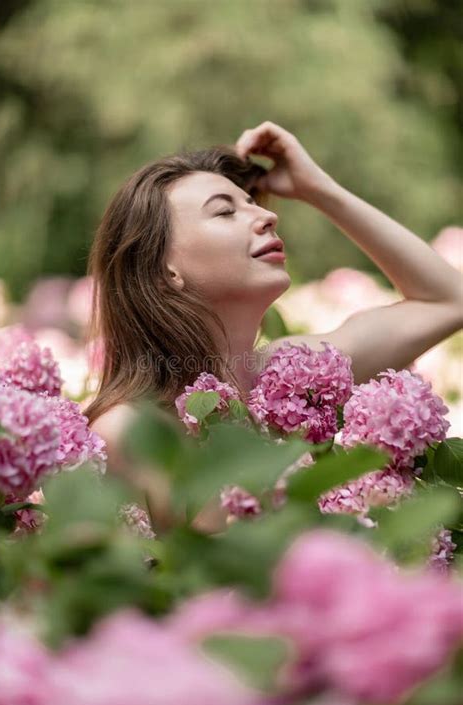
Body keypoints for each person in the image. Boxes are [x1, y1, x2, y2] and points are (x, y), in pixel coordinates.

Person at [86, 121, 462, 523]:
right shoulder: (128, 434)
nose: (266, 215)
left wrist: (319, 189)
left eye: (253, 201)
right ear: (164, 271)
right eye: (225, 211)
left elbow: (448, 302)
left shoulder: (297, 375)